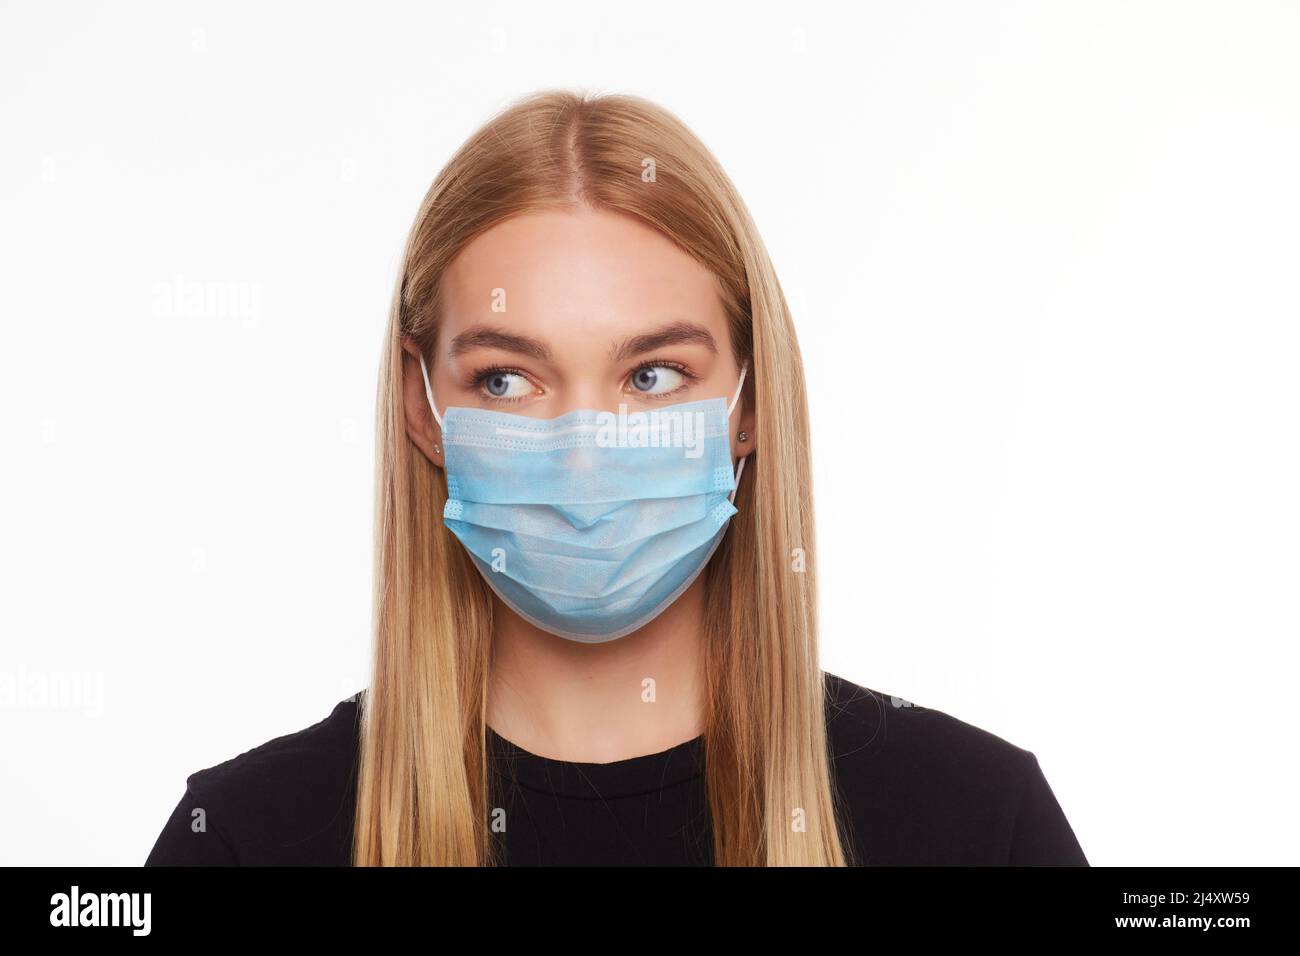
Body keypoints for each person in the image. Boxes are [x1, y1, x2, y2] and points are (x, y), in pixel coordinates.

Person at [146, 89, 1087, 867]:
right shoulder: (243, 842)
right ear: (421, 407)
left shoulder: (975, 826)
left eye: (652, 375)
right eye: (507, 380)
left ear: (750, 405)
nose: (585, 450)